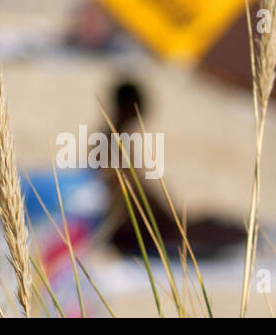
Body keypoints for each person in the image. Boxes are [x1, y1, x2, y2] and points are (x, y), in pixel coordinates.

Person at [100, 78, 246, 260]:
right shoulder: (109, 140)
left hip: (142, 219)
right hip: (136, 226)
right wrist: (160, 210)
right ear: (129, 106)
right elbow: (121, 191)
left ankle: (246, 233)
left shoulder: (117, 136)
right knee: (207, 229)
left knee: (207, 224)